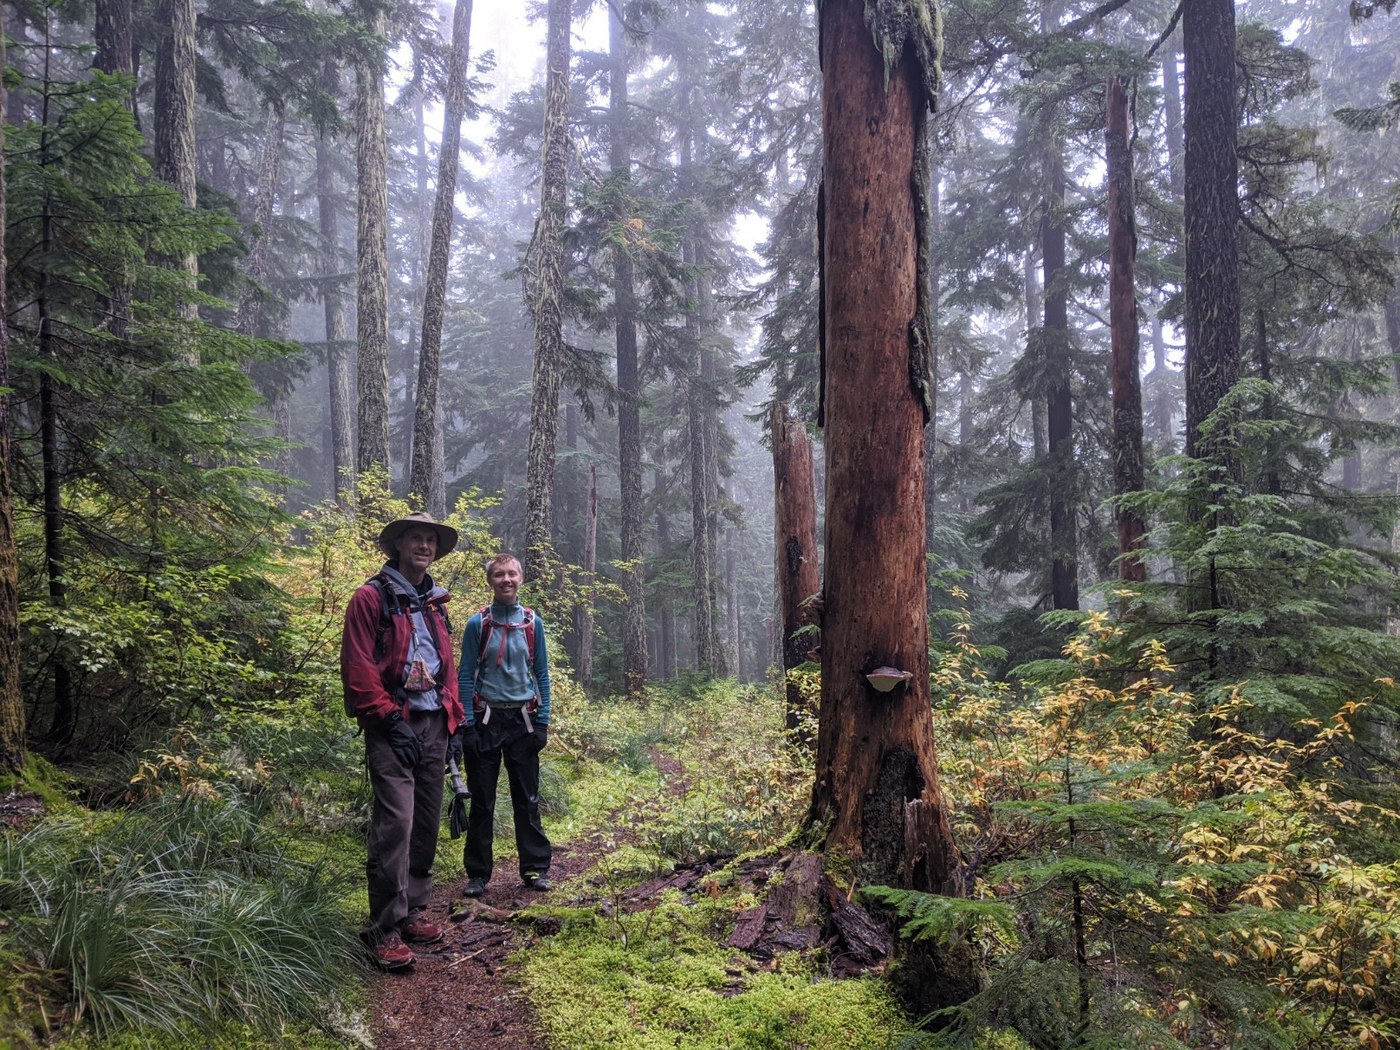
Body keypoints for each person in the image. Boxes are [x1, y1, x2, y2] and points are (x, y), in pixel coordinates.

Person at [340, 512, 464, 970]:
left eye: (430, 539)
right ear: (398, 544)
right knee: (396, 823)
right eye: (416, 538)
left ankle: (413, 909)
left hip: (434, 724)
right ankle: (384, 928)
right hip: (393, 724)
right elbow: (358, 668)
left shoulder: (435, 603)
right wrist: (390, 721)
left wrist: (455, 725)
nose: (424, 546)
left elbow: (447, 669)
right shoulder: (370, 598)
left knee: (426, 822)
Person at [456, 553, 553, 896]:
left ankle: (535, 869)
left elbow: (541, 673)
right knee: (482, 800)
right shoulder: (478, 624)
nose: (506, 580)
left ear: (521, 578)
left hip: (523, 720)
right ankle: (477, 874)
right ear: (490, 581)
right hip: (485, 720)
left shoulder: (532, 623)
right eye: (499, 575)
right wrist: (467, 725)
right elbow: (465, 675)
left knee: (527, 798)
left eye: (512, 574)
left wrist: (543, 722)